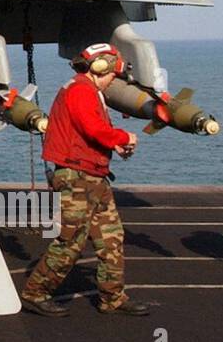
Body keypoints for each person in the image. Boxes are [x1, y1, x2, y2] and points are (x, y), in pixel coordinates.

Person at [20, 43, 149, 317]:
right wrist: (124, 138)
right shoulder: (81, 91)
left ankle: (112, 297)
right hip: (78, 177)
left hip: (94, 176)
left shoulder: (86, 90)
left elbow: (91, 131)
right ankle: (36, 292)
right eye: (113, 73)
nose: (114, 78)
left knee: (111, 236)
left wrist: (113, 145)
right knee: (71, 240)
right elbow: (94, 129)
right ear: (101, 68)